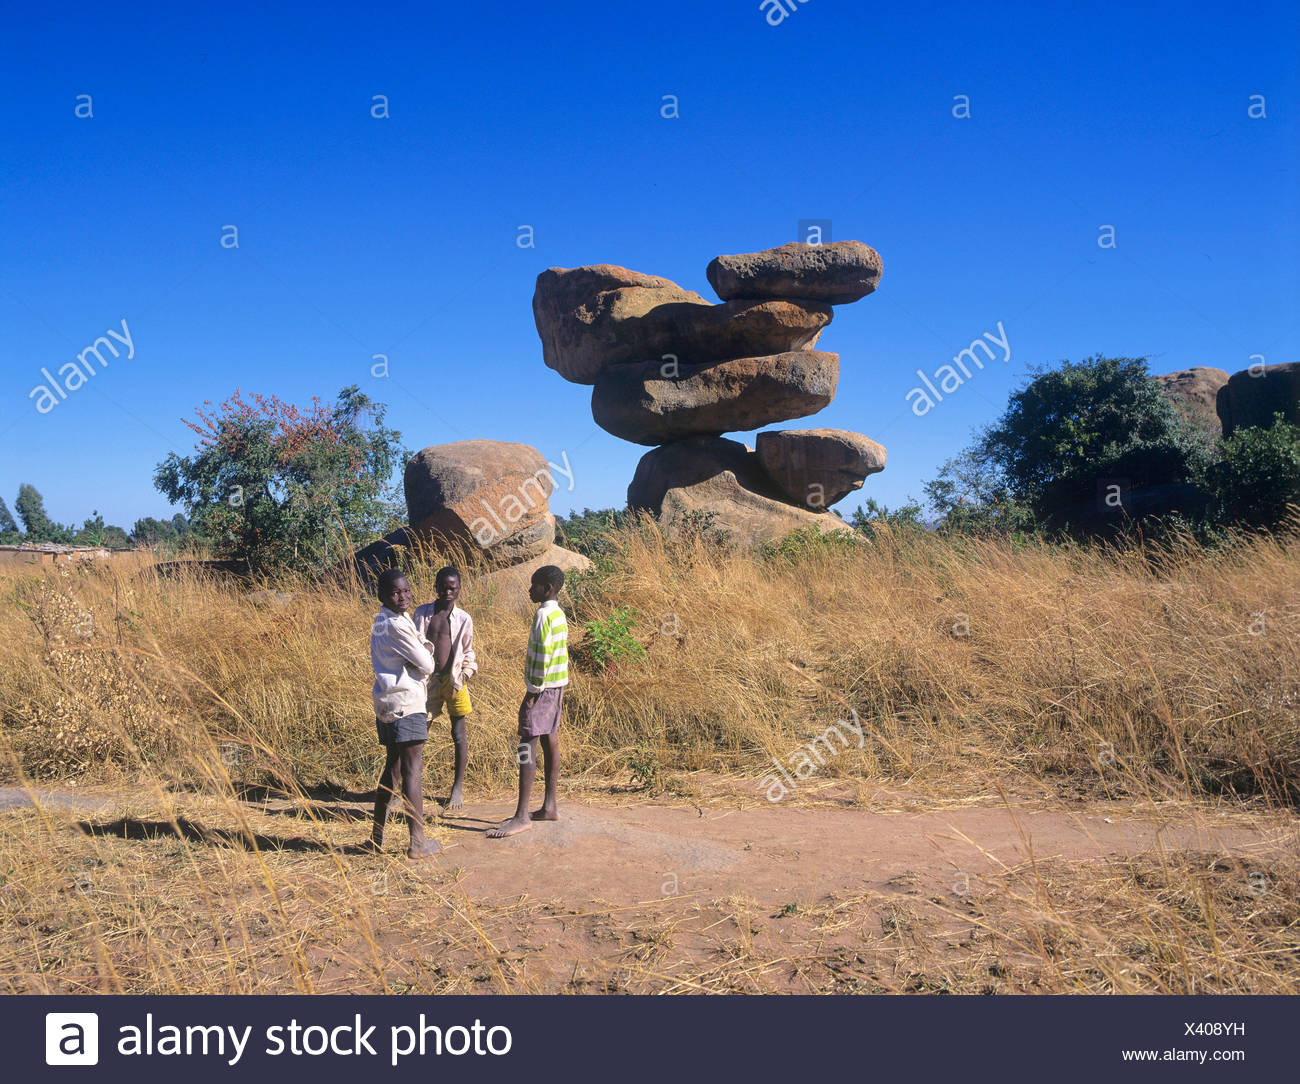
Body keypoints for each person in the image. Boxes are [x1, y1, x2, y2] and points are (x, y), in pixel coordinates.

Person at [488, 564, 568, 838]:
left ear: (548, 588)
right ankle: (549, 806)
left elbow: (542, 655)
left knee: (526, 743)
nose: (529, 589)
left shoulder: (543, 615)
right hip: (556, 688)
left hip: (542, 689)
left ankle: (522, 816)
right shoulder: (559, 613)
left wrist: (532, 693)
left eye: (534, 585)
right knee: (549, 739)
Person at [366, 567, 440, 858]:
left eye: (406, 590)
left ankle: (376, 838)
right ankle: (417, 842)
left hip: (387, 703)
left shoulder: (383, 620)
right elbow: (428, 664)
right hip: (407, 704)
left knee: (392, 770)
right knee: (411, 771)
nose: (403, 596)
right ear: (382, 595)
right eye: (395, 592)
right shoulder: (397, 624)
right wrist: (426, 647)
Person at [411, 566, 478, 811]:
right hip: (427, 682)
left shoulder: (464, 619)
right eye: (443, 586)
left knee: (459, 734)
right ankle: (407, 788)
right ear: (435, 587)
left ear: (459, 589)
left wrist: (466, 673)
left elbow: (468, 650)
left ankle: (457, 788)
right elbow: (413, 643)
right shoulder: (422, 613)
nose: (448, 591)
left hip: (454, 681)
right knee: (416, 736)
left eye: (453, 587)